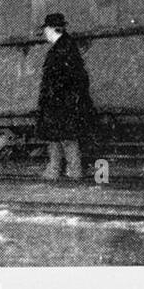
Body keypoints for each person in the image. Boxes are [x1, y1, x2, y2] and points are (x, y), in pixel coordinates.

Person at [35, 12, 95, 180]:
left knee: (65, 138)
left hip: (62, 102)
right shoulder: (65, 46)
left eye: (46, 29)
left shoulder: (63, 48)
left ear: (52, 29)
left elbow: (69, 79)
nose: (45, 33)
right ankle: (57, 170)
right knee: (57, 138)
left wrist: (58, 99)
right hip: (60, 102)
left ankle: (71, 171)